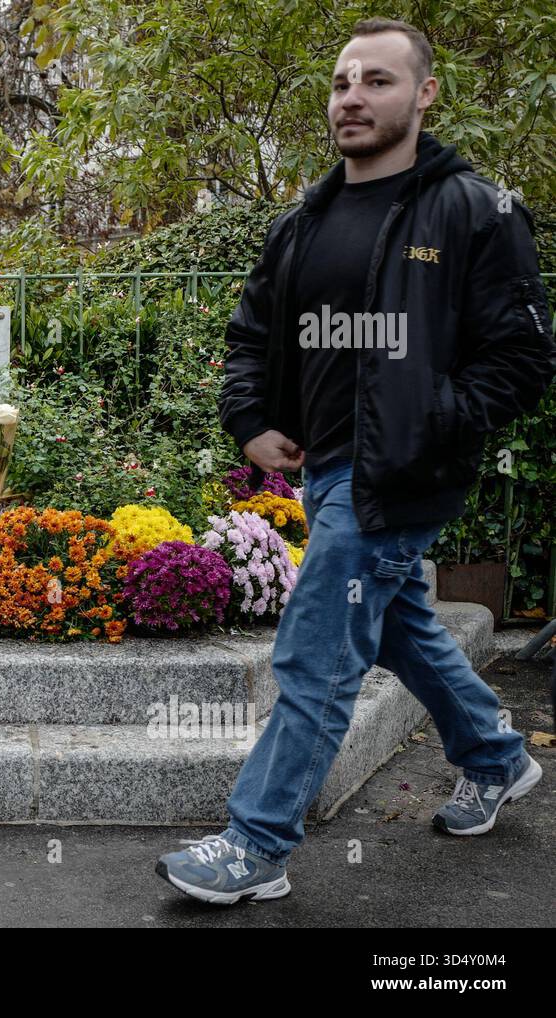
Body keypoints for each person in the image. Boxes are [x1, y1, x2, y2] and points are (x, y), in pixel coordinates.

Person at [156, 17, 556, 905]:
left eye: (378, 80)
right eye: (342, 82)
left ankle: (256, 846)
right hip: (324, 466)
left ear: (424, 95)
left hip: (400, 476)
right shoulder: (306, 216)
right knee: (401, 624)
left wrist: (434, 420)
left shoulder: (473, 210)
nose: (353, 97)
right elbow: (253, 334)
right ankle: (496, 758)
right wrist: (249, 419)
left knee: (316, 651)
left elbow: (523, 359)